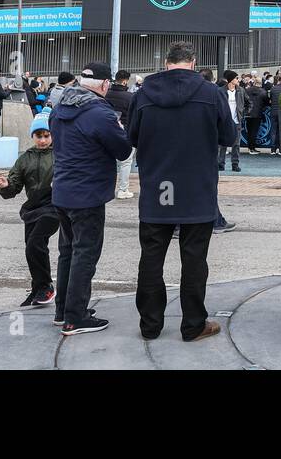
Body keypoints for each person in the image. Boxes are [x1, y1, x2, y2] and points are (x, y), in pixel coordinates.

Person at [125, 41, 231, 342]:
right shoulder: (212, 93)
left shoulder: (144, 94)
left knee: (151, 256)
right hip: (197, 187)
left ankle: (150, 325)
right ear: (193, 62)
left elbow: (131, 137)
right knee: (195, 259)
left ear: (166, 62)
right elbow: (229, 135)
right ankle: (193, 325)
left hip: (158, 187)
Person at [49, 62, 132, 336]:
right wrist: (119, 128)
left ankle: (63, 310)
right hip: (87, 192)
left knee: (68, 252)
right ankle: (75, 317)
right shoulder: (100, 112)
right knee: (85, 253)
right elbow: (122, 150)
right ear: (105, 85)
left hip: (62, 189)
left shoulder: (61, 106)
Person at [0, 115, 58, 307]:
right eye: (38, 136)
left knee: (35, 244)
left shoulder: (61, 154)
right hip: (33, 208)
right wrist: (6, 185)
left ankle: (46, 287)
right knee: (31, 251)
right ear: (33, 136)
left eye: (47, 136)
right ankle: (37, 288)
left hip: (54, 207)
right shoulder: (25, 158)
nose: (42, 140)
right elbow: (14, 187)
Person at [104, 70, 135, 199]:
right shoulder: (130, 97)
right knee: (126, 162)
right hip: (124, 131)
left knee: (106, 160)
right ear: (125, 81)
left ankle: (105, 188)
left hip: (105, 131)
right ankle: (123, 190)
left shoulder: (105, 94)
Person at [218, 69, 246, 171]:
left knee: (236, 144)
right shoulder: (220, 90)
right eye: (236, 78)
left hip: (237, 121)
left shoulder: (241, 90)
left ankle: (235, 164)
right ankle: (220, 164)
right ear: (230, 80)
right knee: (222, 144)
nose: (238, 80)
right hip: (224, 121)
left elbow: (248, 102)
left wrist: (243, 113)